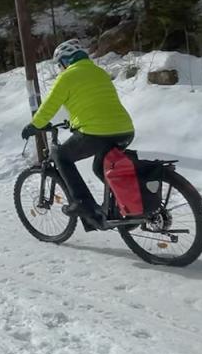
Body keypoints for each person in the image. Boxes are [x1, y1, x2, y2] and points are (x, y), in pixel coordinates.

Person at [20, 39, 134, 222]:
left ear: (65, 61)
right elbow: (95, 103)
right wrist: (74, 123)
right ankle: (126, 207)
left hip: (97, 133)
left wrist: (35, 125)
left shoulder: (68, 76)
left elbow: (50, 106)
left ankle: (82, 202)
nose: (60, 68)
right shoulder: (99, 72)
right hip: (125, 130)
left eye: (60, 64)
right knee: (100, 168)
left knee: (61, 156)